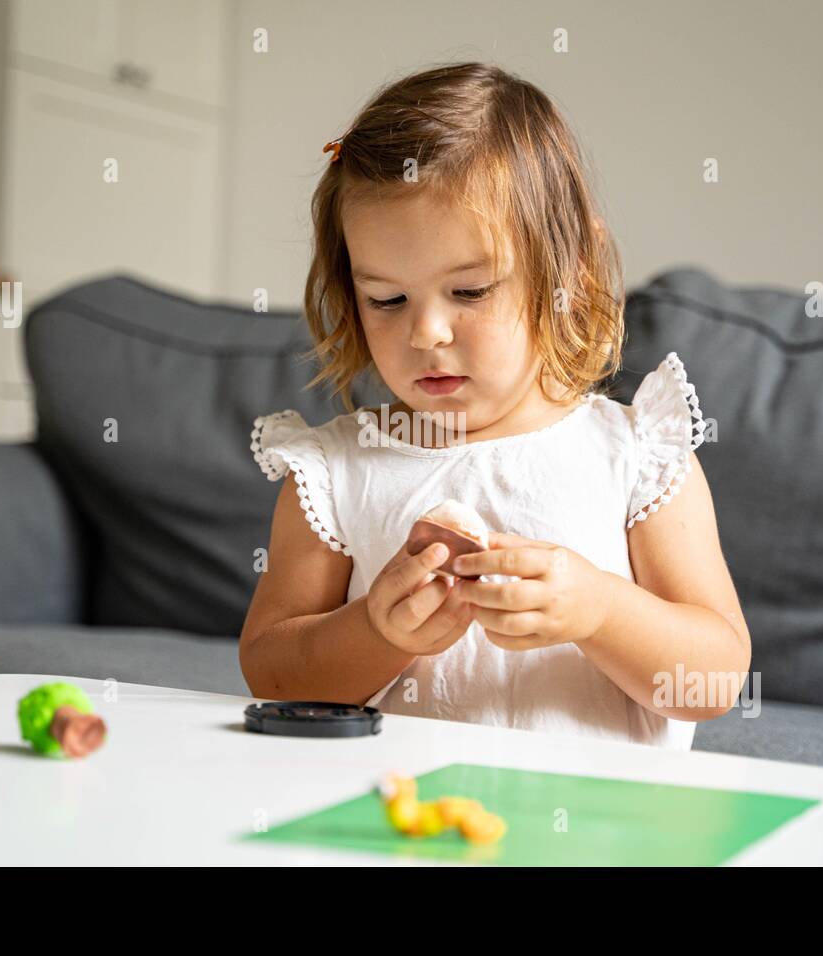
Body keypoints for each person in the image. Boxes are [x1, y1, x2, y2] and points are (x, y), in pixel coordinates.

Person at [241, 62, 750, 751]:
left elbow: (714, 681)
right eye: (386, 299)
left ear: (568, 274)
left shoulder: (637, 455)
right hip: (395, 824)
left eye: (471, 290)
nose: (425, 333)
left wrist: (599, 610)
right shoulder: (331, 472)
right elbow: (271, 674)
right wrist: (376, 632)